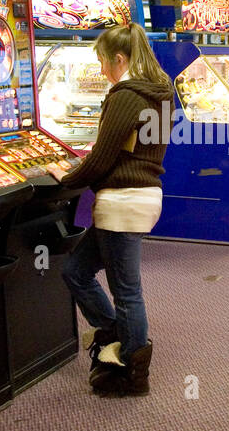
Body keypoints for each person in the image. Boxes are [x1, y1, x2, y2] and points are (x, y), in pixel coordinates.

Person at [58, 24, 173, 396]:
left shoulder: (126, 95)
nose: (103, 71)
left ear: (120, 59)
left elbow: (102, 160)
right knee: (76, 271)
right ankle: (116, 336)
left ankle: (132, 372)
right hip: (144, 196)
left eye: (104, 62)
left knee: (127, 292)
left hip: (123, 201)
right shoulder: (159, 93)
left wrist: (64, 178)